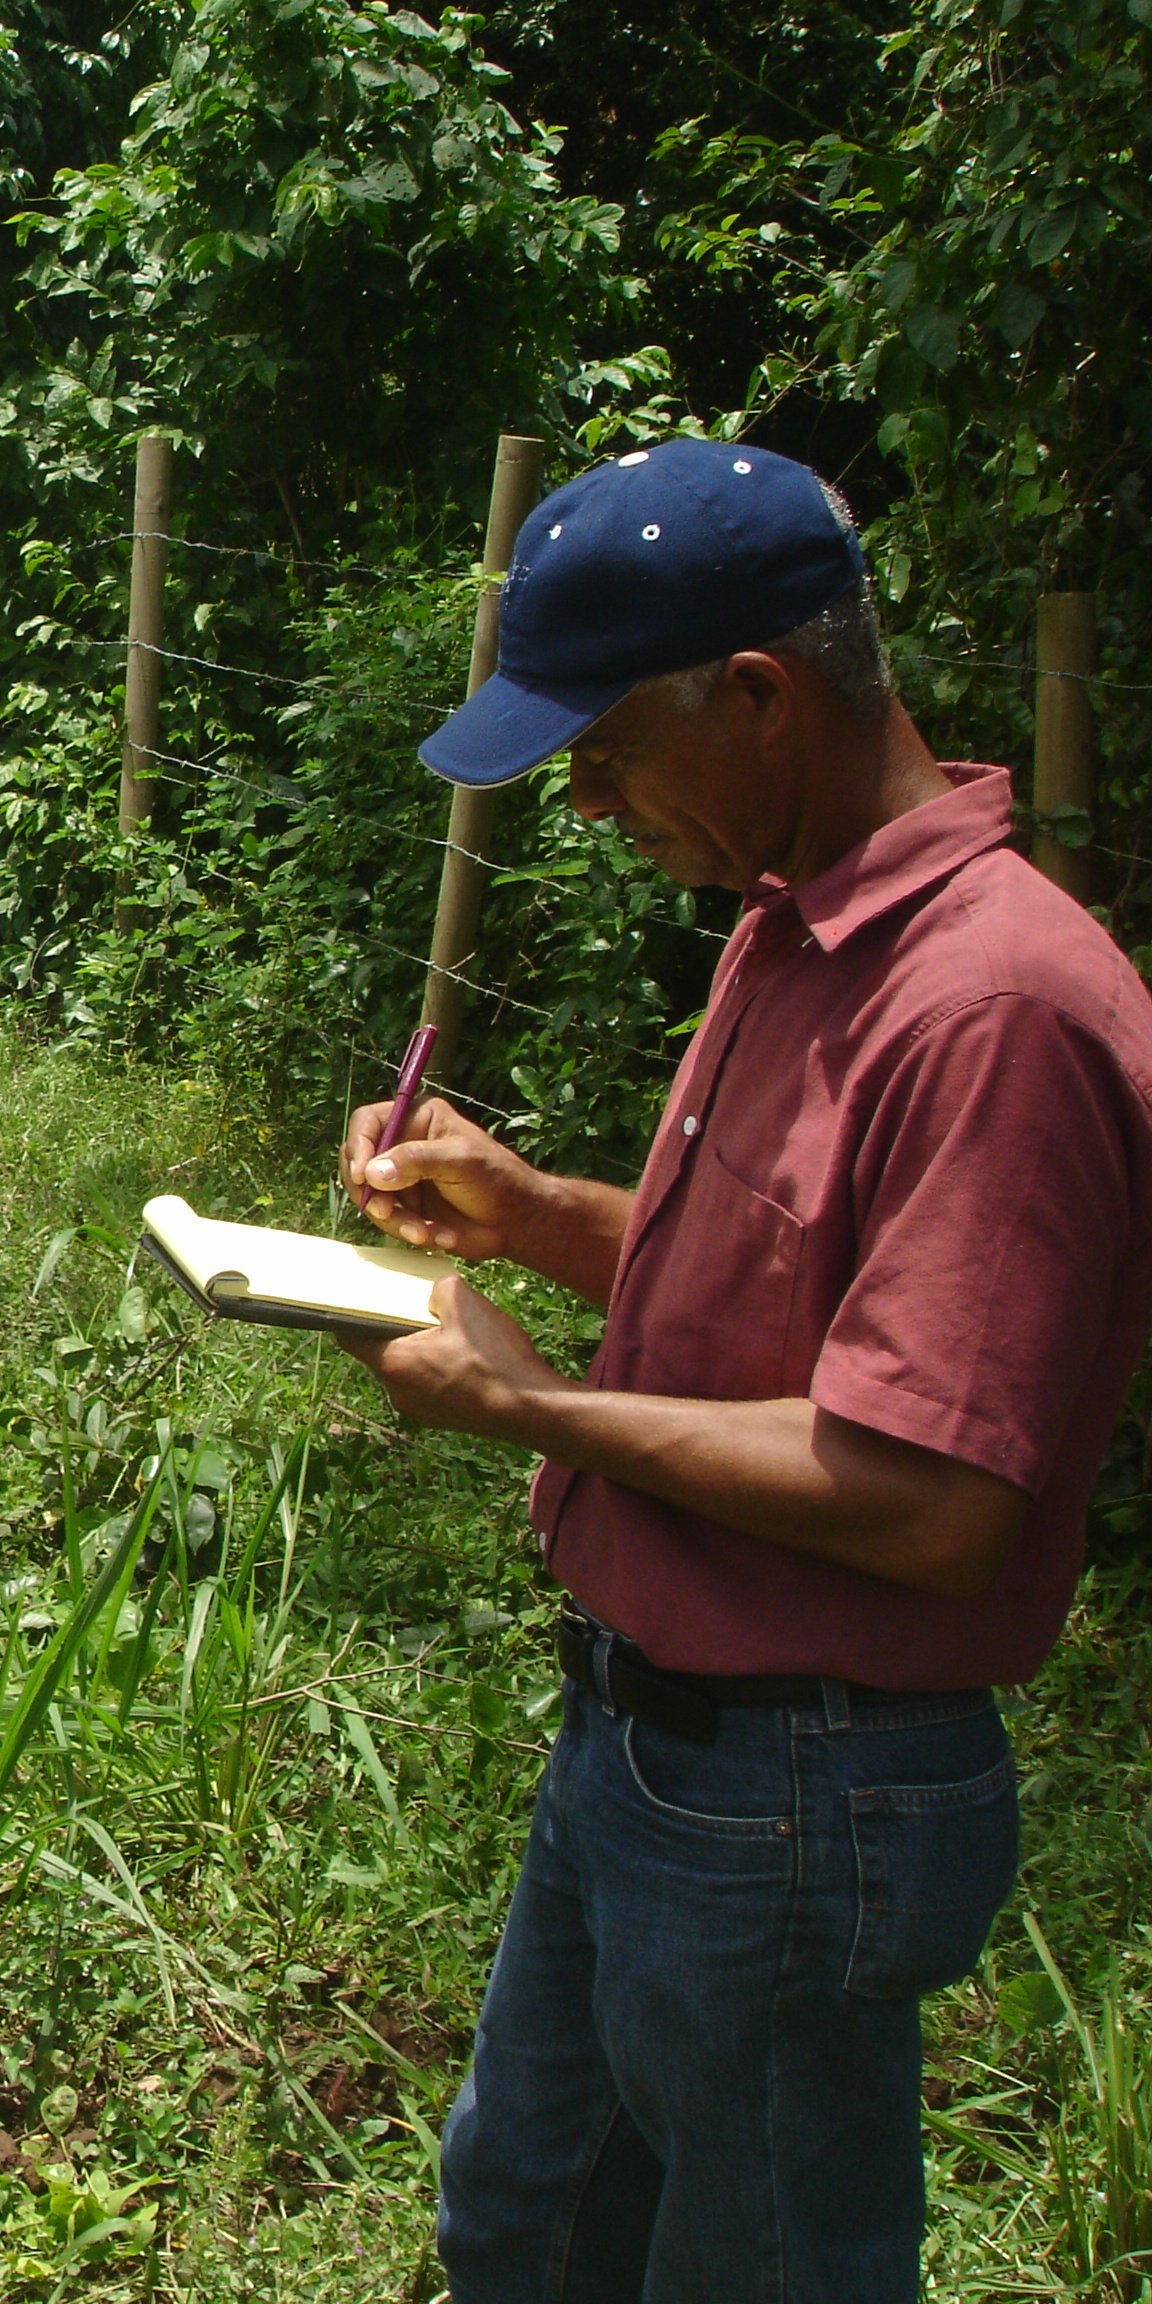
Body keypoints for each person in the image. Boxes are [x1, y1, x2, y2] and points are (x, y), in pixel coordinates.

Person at [335, 438, 1152, 2300]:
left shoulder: (995, 1008)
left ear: (763, 697)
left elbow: (931, 1497)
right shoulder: (798, 924)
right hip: (651, 1740)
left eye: (607, 747)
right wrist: (540, 1212)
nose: (589, 799)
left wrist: (528, 1407)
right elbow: (808, 1302)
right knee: (525, 2223)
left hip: (800, 1786)